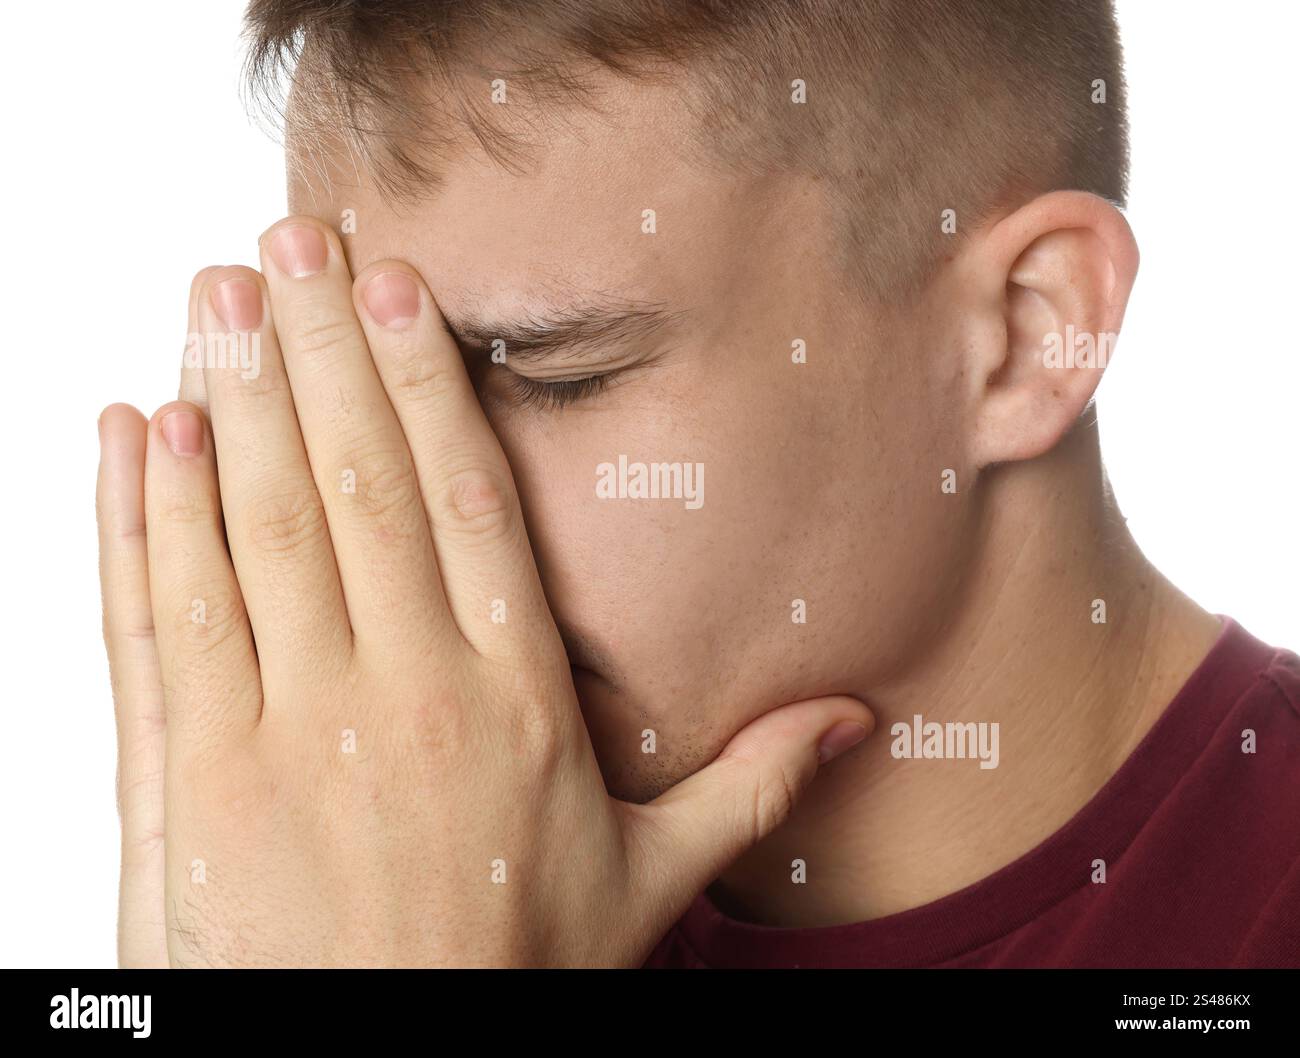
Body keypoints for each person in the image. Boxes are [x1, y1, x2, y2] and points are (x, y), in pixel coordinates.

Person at [94, 0, 1299, 967]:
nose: (406, 495)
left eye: (560, 378)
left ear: (1031, 334)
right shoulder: (333, 891)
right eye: (357, 371)